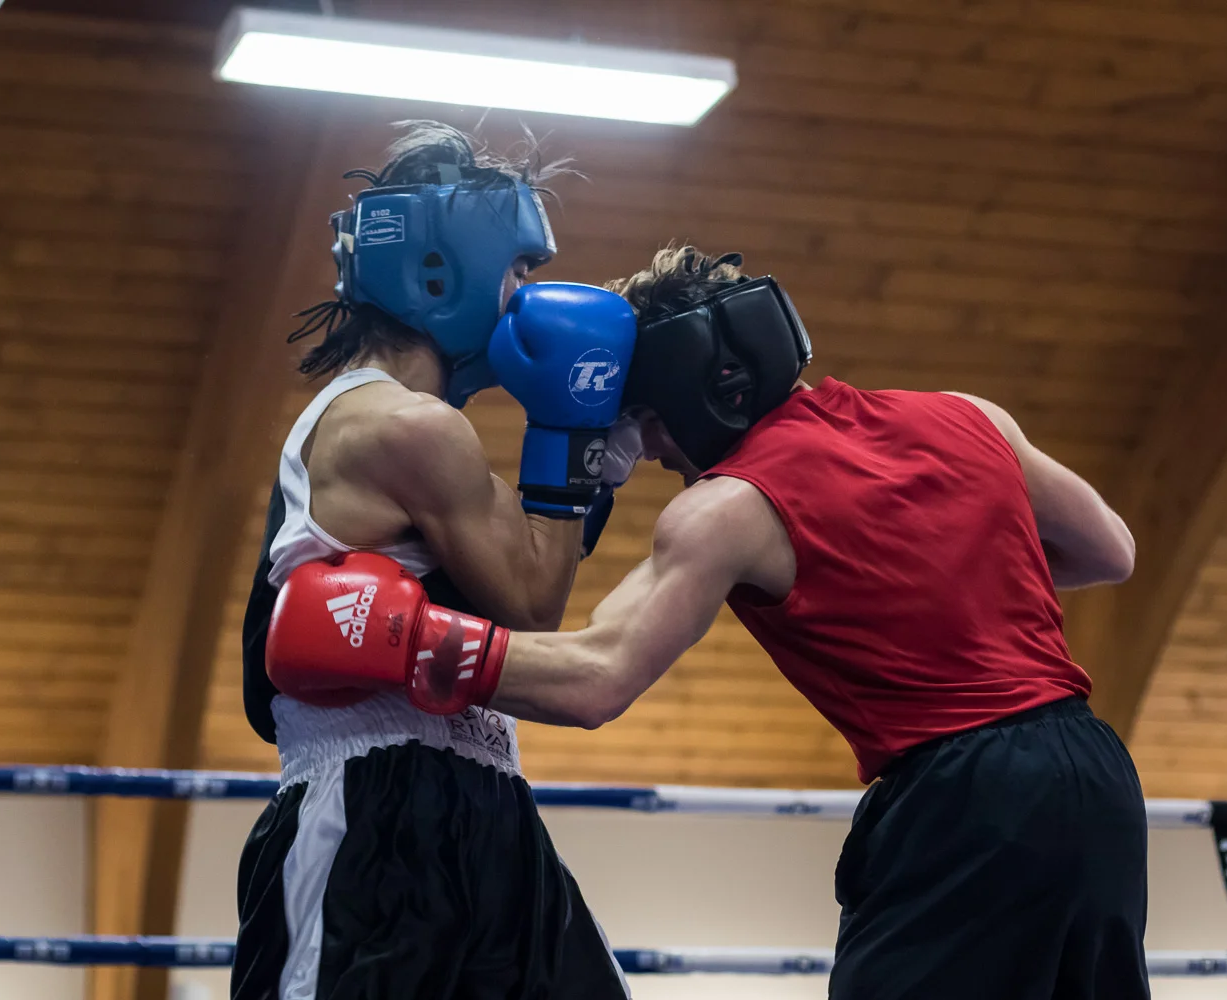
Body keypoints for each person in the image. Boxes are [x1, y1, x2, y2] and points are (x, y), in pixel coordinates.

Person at [269, 245, 1151, 999]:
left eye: (643, 422)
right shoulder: (972, 418)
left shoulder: (728, 509)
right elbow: (1108, 551)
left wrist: (410, 641)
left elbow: (596, 678)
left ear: (684, 399)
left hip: (964, 807)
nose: (645, 452)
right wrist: (948, 575)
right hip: (1099, 781)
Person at [230, 122, 637, 1000]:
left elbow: (524, 586)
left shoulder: (409, 423)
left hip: (479, 795)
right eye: (517, 267)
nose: (526, 292)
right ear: (443, 268)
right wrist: (572, 435)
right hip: (377, 810)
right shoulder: (407, 426)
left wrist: (596, 455)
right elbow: (532, 603)